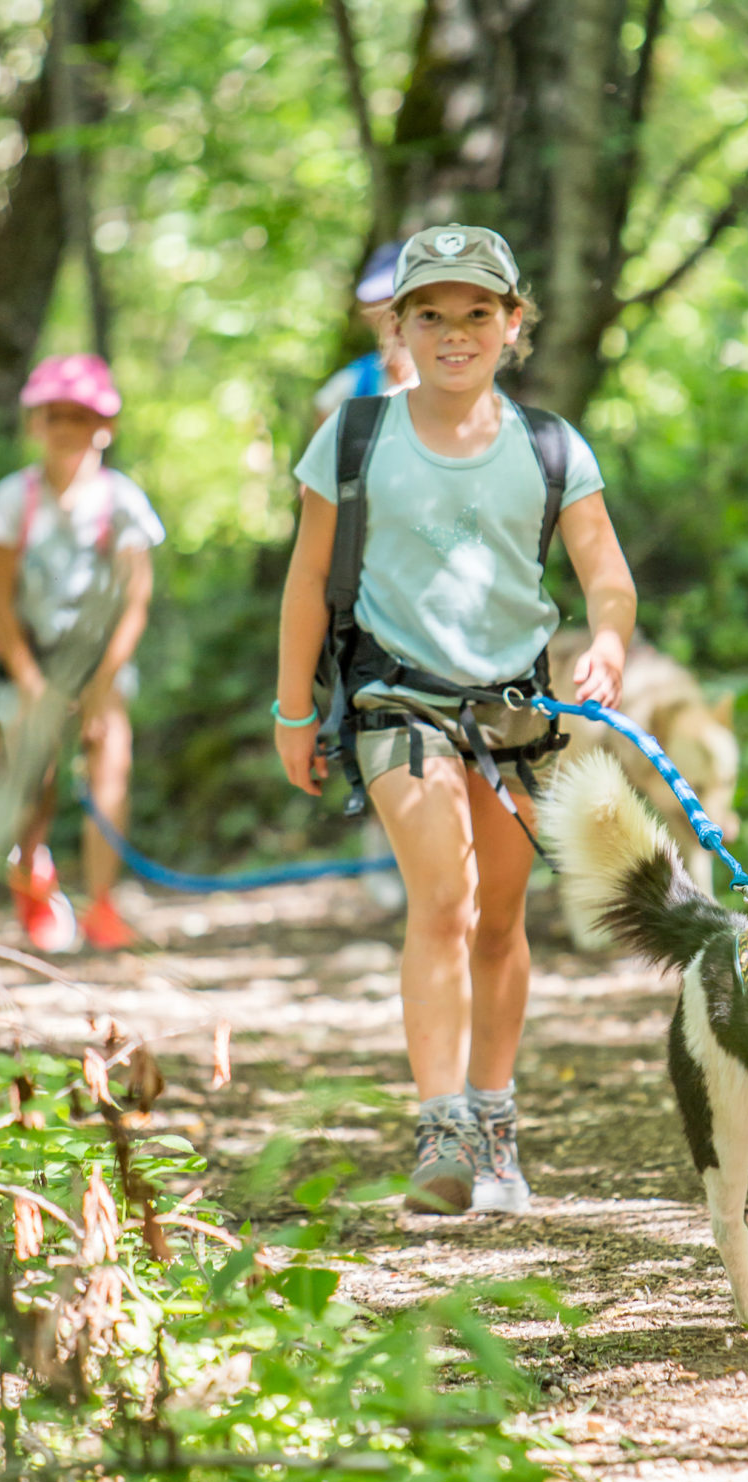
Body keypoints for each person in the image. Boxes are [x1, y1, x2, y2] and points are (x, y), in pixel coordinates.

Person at [276, 225, 636, 1216]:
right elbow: (307, 578)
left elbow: (606, 578)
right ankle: (441, 1129)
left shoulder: (551, 446)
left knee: (501, 919)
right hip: (394, 696)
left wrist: (606, 647)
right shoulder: (353, 436)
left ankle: (494, 1120)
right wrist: (293, 708)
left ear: (512, 325)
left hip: (519, 707)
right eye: (429, 314)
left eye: (477, 313)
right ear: (398, 326)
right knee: (443, 898)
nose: (453, 332)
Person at [0, 354, 164, 953]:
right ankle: (31, 877)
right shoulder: (13, 501)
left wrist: (101, 684)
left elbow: (135, 601)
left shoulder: (123, 502)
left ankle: (102, 905)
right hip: (27, 655)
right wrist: (36, 688)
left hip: (99, 659)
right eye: (54, 416)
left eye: (80, 417)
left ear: (102, 426)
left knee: (110, 765)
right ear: (36, 423)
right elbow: (0, 607)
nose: (66, 428)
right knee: (35, 777)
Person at [311, 241, 417, 429]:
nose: (393, 314)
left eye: (404, 301)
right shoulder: (347, 388)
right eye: (382, 302)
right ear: (366, 312)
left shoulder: (459, 379)